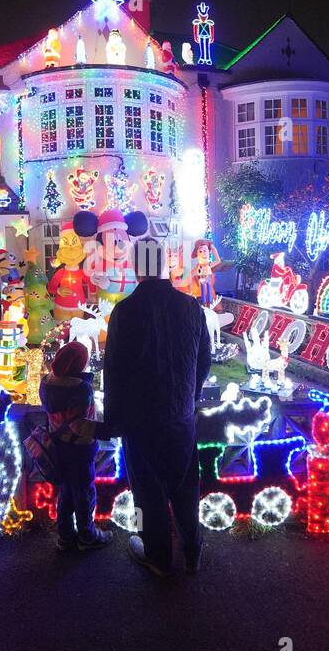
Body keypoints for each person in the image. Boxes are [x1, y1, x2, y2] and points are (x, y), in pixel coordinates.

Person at [102, 241, 212, 577]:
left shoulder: (125, 310)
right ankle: (192, 551)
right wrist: (187, 396)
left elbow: (114, 371)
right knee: (185, 486)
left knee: (147, 492)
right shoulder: (190, 307)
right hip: (180, 415)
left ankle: (158, 557)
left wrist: (113, 421)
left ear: (137, 268)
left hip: (140, 419)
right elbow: (203, 360)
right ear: (164, 265)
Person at [39, 341, 112, 551]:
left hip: (57, 444)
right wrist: (106, 431)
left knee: (65, 491)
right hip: (79, 448)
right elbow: (80, 424)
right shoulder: (81, 389)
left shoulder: (46, 382)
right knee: (84, 492)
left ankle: (65, 535)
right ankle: (87, 535)